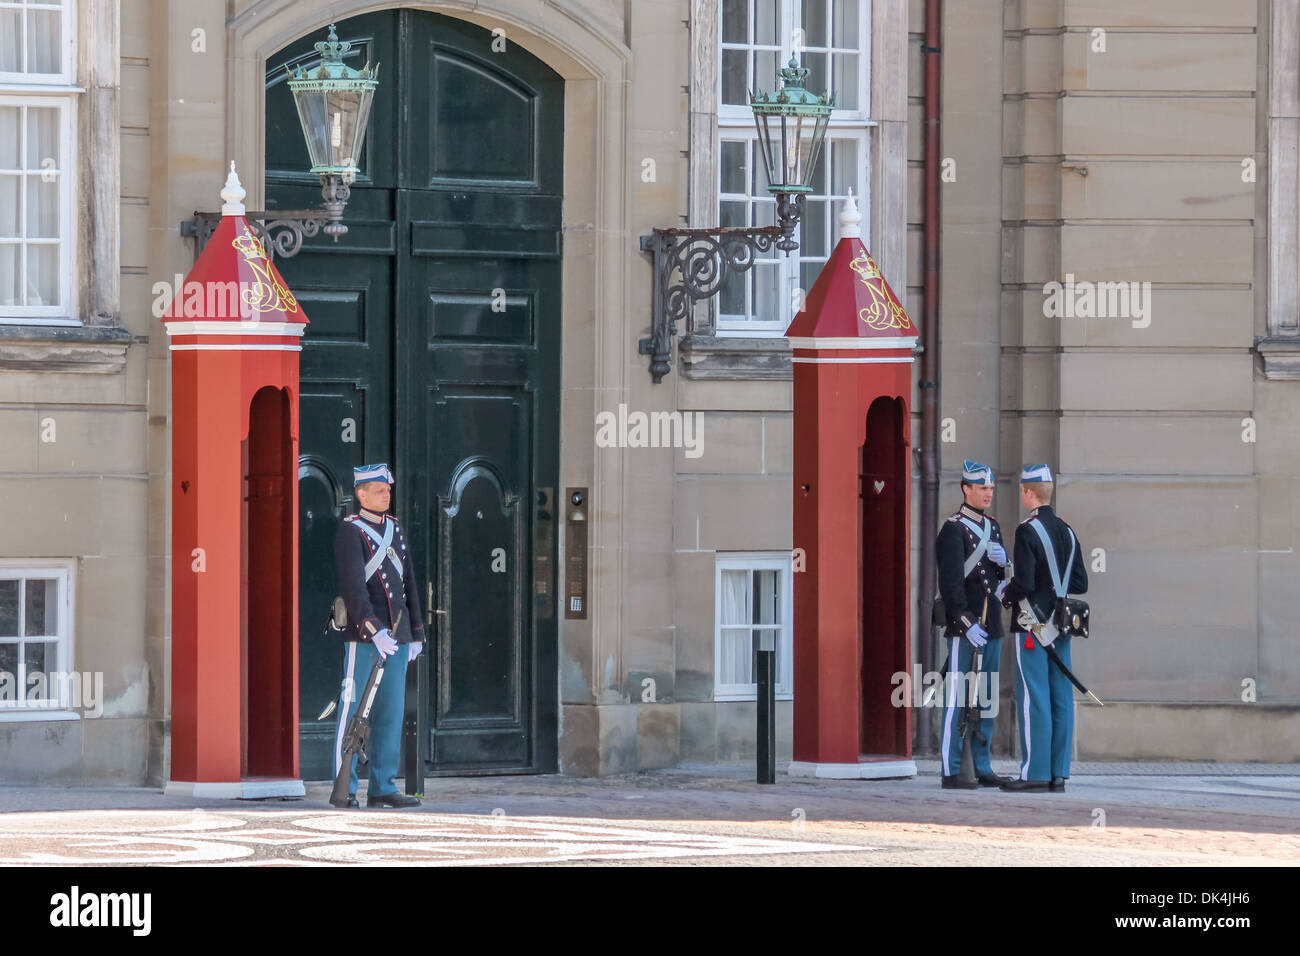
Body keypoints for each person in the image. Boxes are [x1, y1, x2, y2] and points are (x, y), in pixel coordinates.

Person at [332, 463, 425, 808]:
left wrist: (415, 633)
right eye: (380, 488)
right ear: (361, 493)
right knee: (354, 712)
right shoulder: (350, 530)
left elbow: (408, 583)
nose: (387, 493)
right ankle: (346, 787)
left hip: (397, 636)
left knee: (391, 712)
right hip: (366, 636)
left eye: (388, 488)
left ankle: (383, 785)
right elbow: (354, 588)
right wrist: (374, 629)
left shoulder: (395, 529)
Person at [1000, 464, 1088, 793]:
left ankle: (1034, 772)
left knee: (1034, 697)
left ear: (1028, 493)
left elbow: (1022, 583)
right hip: (1061, 627)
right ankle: (1058, 773)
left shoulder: (1027, 531)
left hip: (1032, 626)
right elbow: (1080, 581)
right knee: (1060, 697)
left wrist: (1005, 596)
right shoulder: (1067, 531)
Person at [935, 460, 1012, 789]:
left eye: (991, 488)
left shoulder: (993, 527)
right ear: (966, 488)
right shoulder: (953, 529)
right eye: (982, 488)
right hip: (965, 627)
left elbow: (999, 582)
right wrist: (966, 622)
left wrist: (1004, 563)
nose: (987, 493)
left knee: (987, 698)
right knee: (957, 698)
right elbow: (951, 585)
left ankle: (982, 765)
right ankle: (951, 769)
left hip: (991, 624)